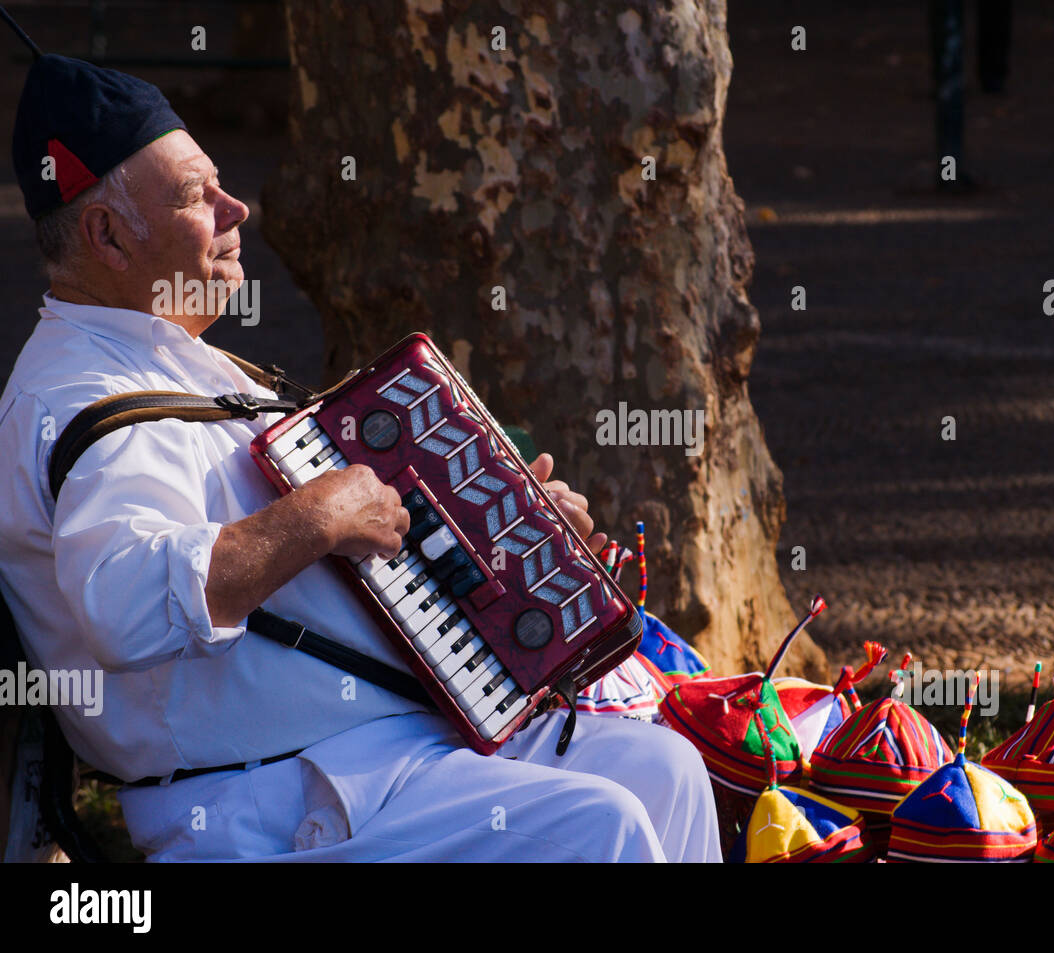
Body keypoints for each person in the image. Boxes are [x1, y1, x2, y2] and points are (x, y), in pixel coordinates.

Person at [0, 36, 720, 862]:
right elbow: (125, 603)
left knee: (664, 766)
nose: (236, 210)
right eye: (199, 195)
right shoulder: (79, 402)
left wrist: (507, 526)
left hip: (384, 753)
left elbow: (331, 572)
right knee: (602, 827)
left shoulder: (177, 361)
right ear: (108, 235)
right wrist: (319, 514)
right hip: (270, 799)